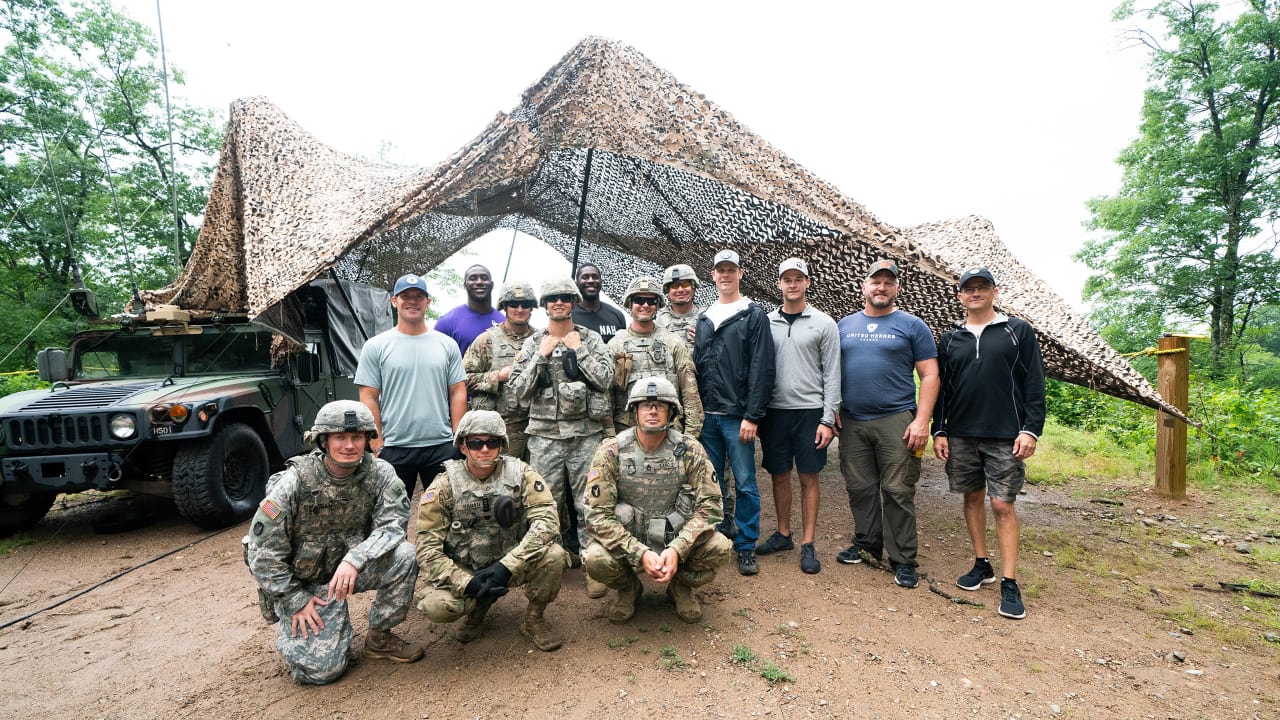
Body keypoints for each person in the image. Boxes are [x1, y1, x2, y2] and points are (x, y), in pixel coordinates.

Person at [245, 400, 423, 685]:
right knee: (322, 673)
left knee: (405, 555)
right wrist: (295, 600)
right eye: (340, 437)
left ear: (367, 439)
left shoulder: (381, 474)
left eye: (357, 437)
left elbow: (393, 527)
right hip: (305, 584)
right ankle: (304, 627)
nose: (349, 445)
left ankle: (380, 637)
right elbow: (261, 553)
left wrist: (356, 559)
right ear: (323, 441)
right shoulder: (293, 483)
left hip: (349, 572)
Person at [932, 267, 1045, 620]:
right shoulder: (950, 339)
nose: (975, 293)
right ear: (959, 296)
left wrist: (1031, 429)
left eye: (982, 287)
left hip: (1005, 434)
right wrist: (940, 430)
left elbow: (1034, 385)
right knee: (971, 498)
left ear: (995, 292)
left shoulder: (1017, 331)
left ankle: (1010, 581)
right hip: (962, 432)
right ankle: (981, 563)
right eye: (969, 288)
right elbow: (942, 391)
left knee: (1002, 504)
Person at [583, 377, 733, 623]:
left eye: (660, 405)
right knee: (594, 559)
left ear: (671, 412)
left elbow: (711, 506)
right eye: (645, 405)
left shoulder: (689, 449)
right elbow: (597, 515)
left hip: (675, 537)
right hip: (631, 538)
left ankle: (680, 587)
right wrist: (639, 552)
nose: (652, 410)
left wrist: (678, 548)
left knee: (719, 547)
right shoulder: (612, 451)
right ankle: (628, 588)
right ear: (634, 411)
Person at [414, 410, 566, 650]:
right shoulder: (444, 486)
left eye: (491, 442)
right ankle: (477, 608)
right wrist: (466, 583)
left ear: (501, 446)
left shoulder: (521, 474)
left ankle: (534, 618)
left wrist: (507, 567)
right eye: (476, 443)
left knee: (555, 555)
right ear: (463, 447)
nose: (484, 449)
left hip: (511, 561)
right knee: (437, 605)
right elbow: (426, 548)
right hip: (467, 567)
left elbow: (547, 522)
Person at [835, 259, 939, 590]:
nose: (881, 287)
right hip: (852, 420)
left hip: (897, 418)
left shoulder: (912, 325)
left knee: (897, 489)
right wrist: (833, 408)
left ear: (896, 289)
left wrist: (922, 420)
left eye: (888, 282)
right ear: (863, 287)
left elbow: (930, 374)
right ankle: (867, 545)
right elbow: (829, 370)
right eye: (875, 281)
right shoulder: (843, 325)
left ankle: (903, 559)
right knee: (860, 487)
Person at [507, 277, 614, 575]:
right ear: (543, 305)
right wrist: (541, 355)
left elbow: (606, 381)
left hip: (585, 436)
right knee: (546, 504)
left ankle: (594, 565)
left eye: (565, 297)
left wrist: (578, 350)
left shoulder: (590, 339)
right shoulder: (532, 343)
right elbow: (517, 390)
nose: (558, 303)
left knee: (588, 503)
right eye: (552, 298)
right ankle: (549, 564)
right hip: (544, 438)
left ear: (574, 302)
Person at [755, 258, 840, 575]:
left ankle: (808, 542)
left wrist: (827, 419)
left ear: (807, 282)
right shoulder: (766, 322)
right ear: (778, 283)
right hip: (775, 411)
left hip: (810, 412)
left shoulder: (824, 323)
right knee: (778, 474)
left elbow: (832, 374)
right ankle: (783, 534)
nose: (792, 284)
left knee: (808, 476)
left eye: (798, 279)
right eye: (786, 279)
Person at [693, 249, 775, 576]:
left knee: (744, 481)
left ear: (740, 274)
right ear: (712, 275)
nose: (725, 275)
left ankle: (746, 544)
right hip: (707, 416)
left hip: (736, 415)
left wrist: (753, 415)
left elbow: (761, 366)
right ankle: (718, 536)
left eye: (731, 269)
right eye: (720, 270)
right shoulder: (705, 317)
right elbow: (698, 366)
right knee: (711, 481)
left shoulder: (752, 314)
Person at [356, 273, 467, 498]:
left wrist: (458, 437)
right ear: (394, 301)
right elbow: (368, 396)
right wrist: (377, 444)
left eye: (419, 296)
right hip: (394, 447)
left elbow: (457, 391)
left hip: (441, 445)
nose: (412, 301)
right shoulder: (376, 346)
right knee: (392, 516)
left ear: (428, 302)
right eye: (405, 296)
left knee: (446, 513)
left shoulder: (447, 345)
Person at [608, 276, 703, 439]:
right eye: (639, 300)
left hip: (668, 434)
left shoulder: (673, 342)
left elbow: (691, 395)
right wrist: (610, 437)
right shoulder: (615, 345)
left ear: (658, 305)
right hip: (626, 435)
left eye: (651, 301)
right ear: (630, 304)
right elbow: (606, 397)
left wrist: (689, 438)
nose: (645, 305)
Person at [463, 281, 538, 460]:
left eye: (525, 304)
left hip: (537, 428)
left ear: (532, 308)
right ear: (504, 306)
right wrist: (498, 377)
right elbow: (462, 379)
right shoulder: (487, 340)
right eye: (513, 304)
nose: (519, 309)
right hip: (500, 430)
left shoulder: (541, 340)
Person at [434, 264, 506, 356]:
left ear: (491, 285)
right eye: (473, 278)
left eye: (484, 278)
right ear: (465, 285)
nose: (479, 282)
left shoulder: (505, 322)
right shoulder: (446, 323)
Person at [572, 263, 627, 343]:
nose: (591, 281)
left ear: (601, 282)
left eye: (595, 277)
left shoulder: (617, 315)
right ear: (577, 284)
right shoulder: (568, 316)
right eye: (585, 277)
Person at [655, 263, 703, 348]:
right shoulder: (656, 319)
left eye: (685, 284)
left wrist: (705, 342)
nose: (680, 290)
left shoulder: (707, 318)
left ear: (693, 287)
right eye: (674, 286)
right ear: (667, 290)